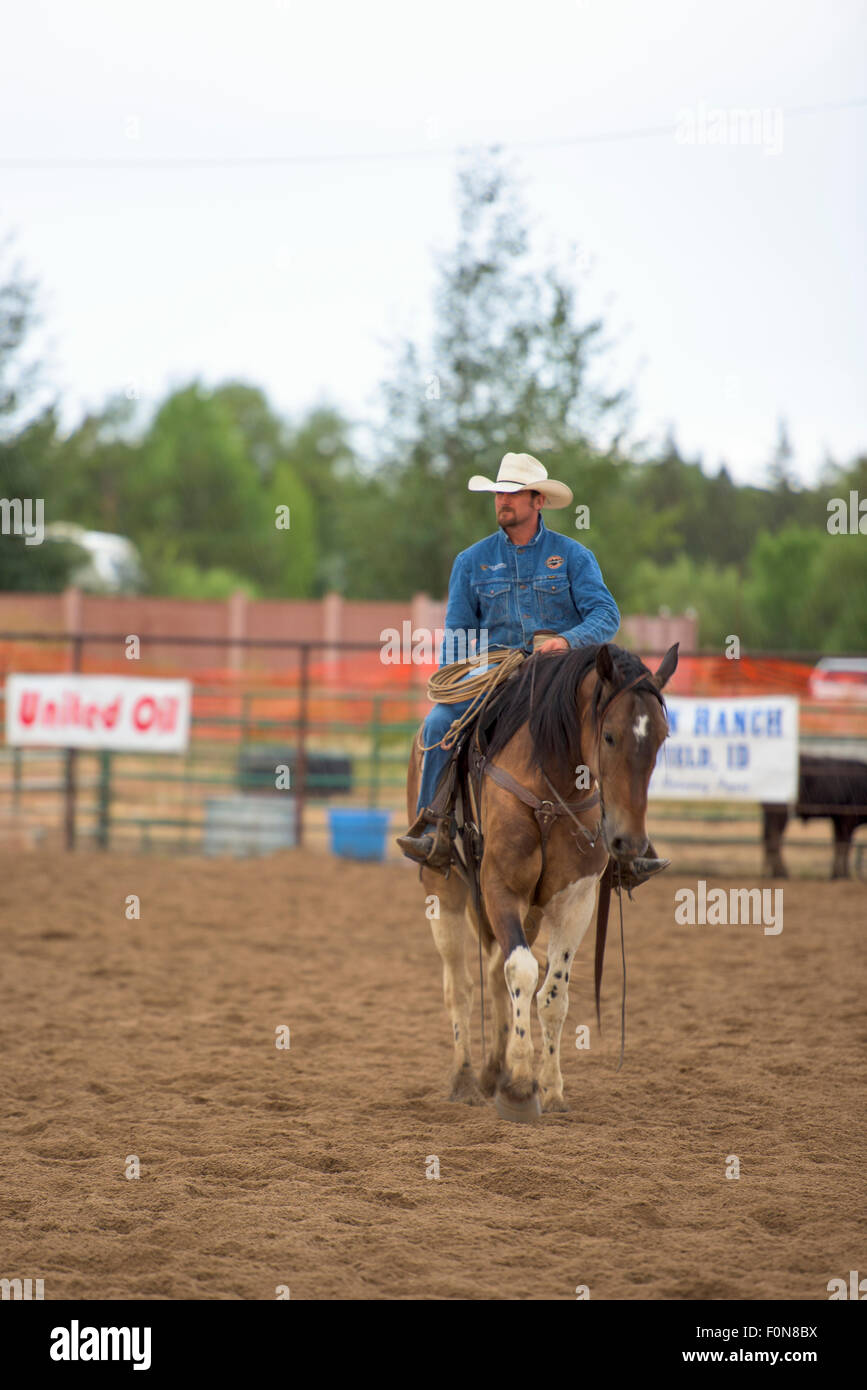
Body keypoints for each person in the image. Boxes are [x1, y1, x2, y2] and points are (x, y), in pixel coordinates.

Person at [396, 452, 668, 887]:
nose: (502, 500)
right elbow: (458, 637)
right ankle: (434, 829)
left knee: (611, 735)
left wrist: (568, 640)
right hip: (494, 678)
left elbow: (605, 614)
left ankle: (628, 847)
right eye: (498, 493)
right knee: (437, 725)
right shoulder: (471, 563)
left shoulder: (574, 557)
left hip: (558, 682)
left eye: (511, 493)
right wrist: (461, 674)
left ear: (537, 501)